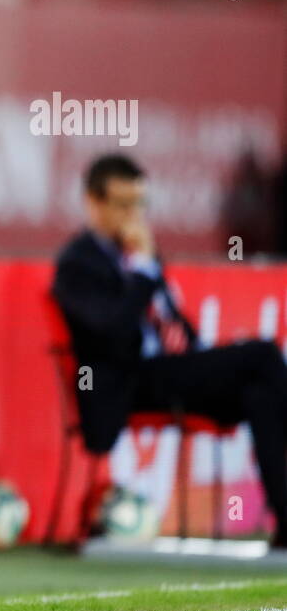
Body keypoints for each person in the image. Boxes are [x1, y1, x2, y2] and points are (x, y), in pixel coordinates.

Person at [53, 154, 287, 547]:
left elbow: (173, 321)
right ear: (94, 203)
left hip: (166, 371)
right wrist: (143, 272)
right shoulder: (78, 263)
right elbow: (111, 334)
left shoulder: (139, 255)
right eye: (123, 204)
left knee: (260, 394)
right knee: (262, 355)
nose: (134, 215)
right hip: (124, 381)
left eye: (140, 204)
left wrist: (178, 327)